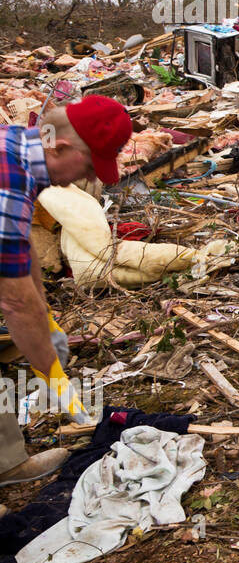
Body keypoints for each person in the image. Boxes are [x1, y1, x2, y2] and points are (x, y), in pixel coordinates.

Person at [0, 96, 131, 487]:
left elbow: (18, 251)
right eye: (89, 167)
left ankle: (6, 463)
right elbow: (13, 299)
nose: (84, 180)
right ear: (61, 147)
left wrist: (47, 316)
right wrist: (54, 377)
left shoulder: (18, 152)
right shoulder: (8, 177)